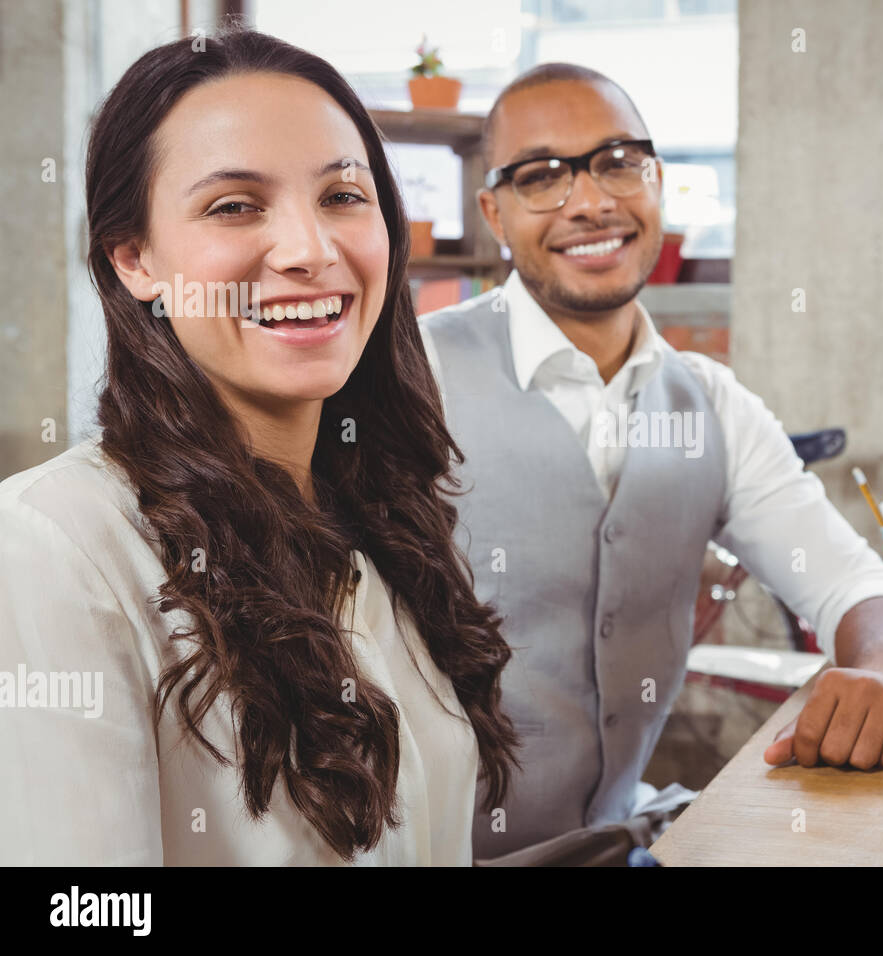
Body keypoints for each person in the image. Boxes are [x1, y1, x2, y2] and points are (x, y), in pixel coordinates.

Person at [0, 28, 516, 865]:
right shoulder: (54, 544)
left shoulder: (381, 514)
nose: (311, 251)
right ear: (134, 258)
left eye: (344, 196)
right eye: (235, 205)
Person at [419, 63, 883, 863]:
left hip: (621, 846)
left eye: (618, 161)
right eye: (541, 177)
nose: (590, 201)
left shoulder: (713, 405)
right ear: (495, 211)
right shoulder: (408, 379)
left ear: (656, 179)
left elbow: (858, 587)